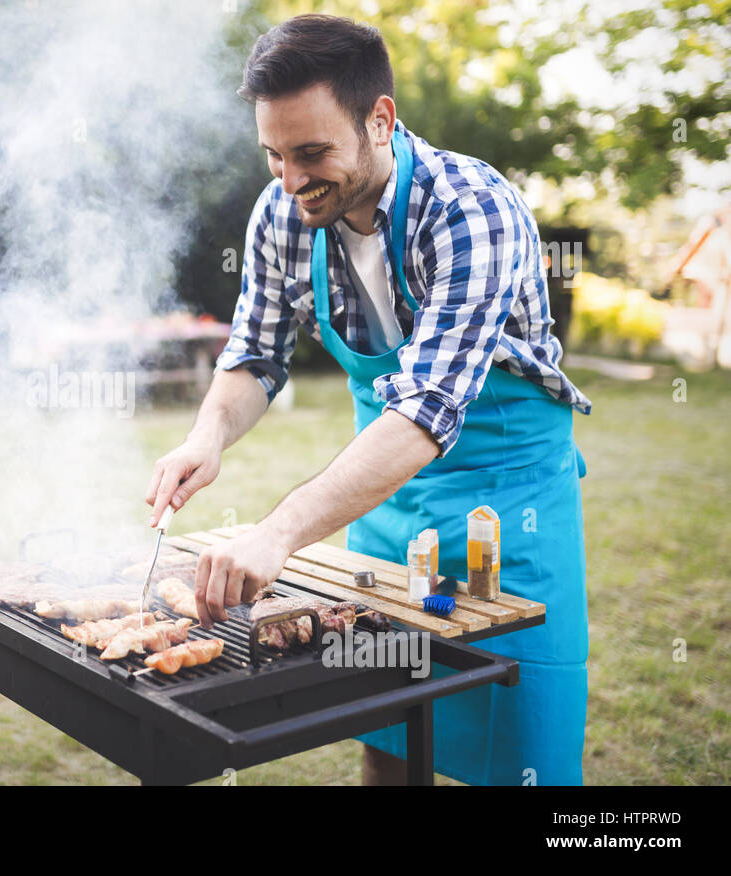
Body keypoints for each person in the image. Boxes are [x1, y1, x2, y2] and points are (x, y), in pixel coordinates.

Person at [145, 14, 592, 786]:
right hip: (381, 507)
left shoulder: (471, 209)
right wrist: (206, 437)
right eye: (274, 155)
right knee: (388, 727)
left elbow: (424, 413)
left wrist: (278, 534)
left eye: (312, 153)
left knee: (524, 747)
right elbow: (254, 354)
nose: (289, 180)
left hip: (508, 506)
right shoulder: (284, 209)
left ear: (380, 119)